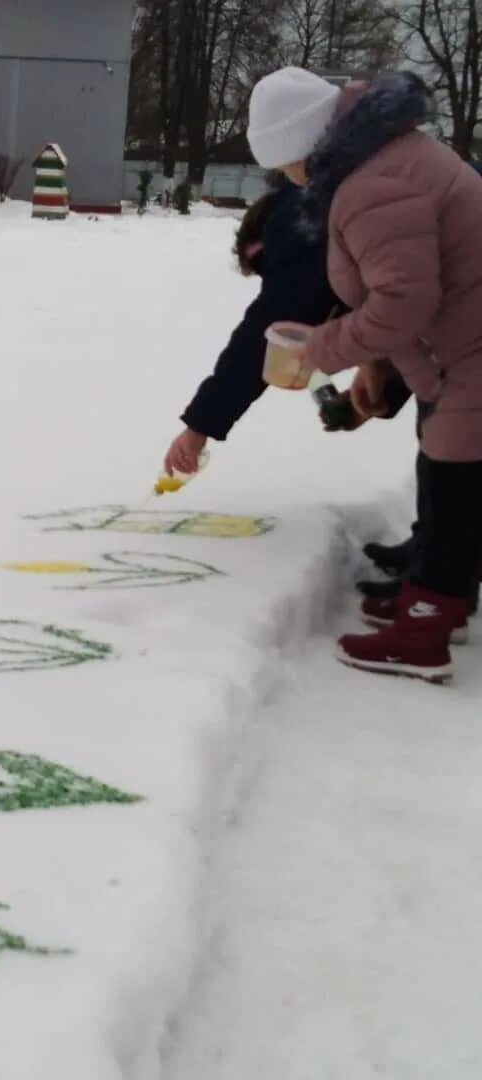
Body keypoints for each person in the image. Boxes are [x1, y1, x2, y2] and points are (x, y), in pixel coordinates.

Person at [247, 66, 482, 683]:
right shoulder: (385, 159)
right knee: (451, 476)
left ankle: (425, 633)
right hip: (462, 349)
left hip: (473, 354)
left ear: (301, 145)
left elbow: (405, 302)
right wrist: (380, 365)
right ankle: (439, 599)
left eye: (283, 163)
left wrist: (322, 349)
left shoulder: (370, 186)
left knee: (455, 485)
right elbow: (415, 284)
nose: (286, 178)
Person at [162, 179, 338, 478]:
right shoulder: (327, 210)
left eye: (263, 267)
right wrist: (381, 391)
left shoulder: (301, 239)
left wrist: (199, 427)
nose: (273, 280)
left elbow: (258, 342)